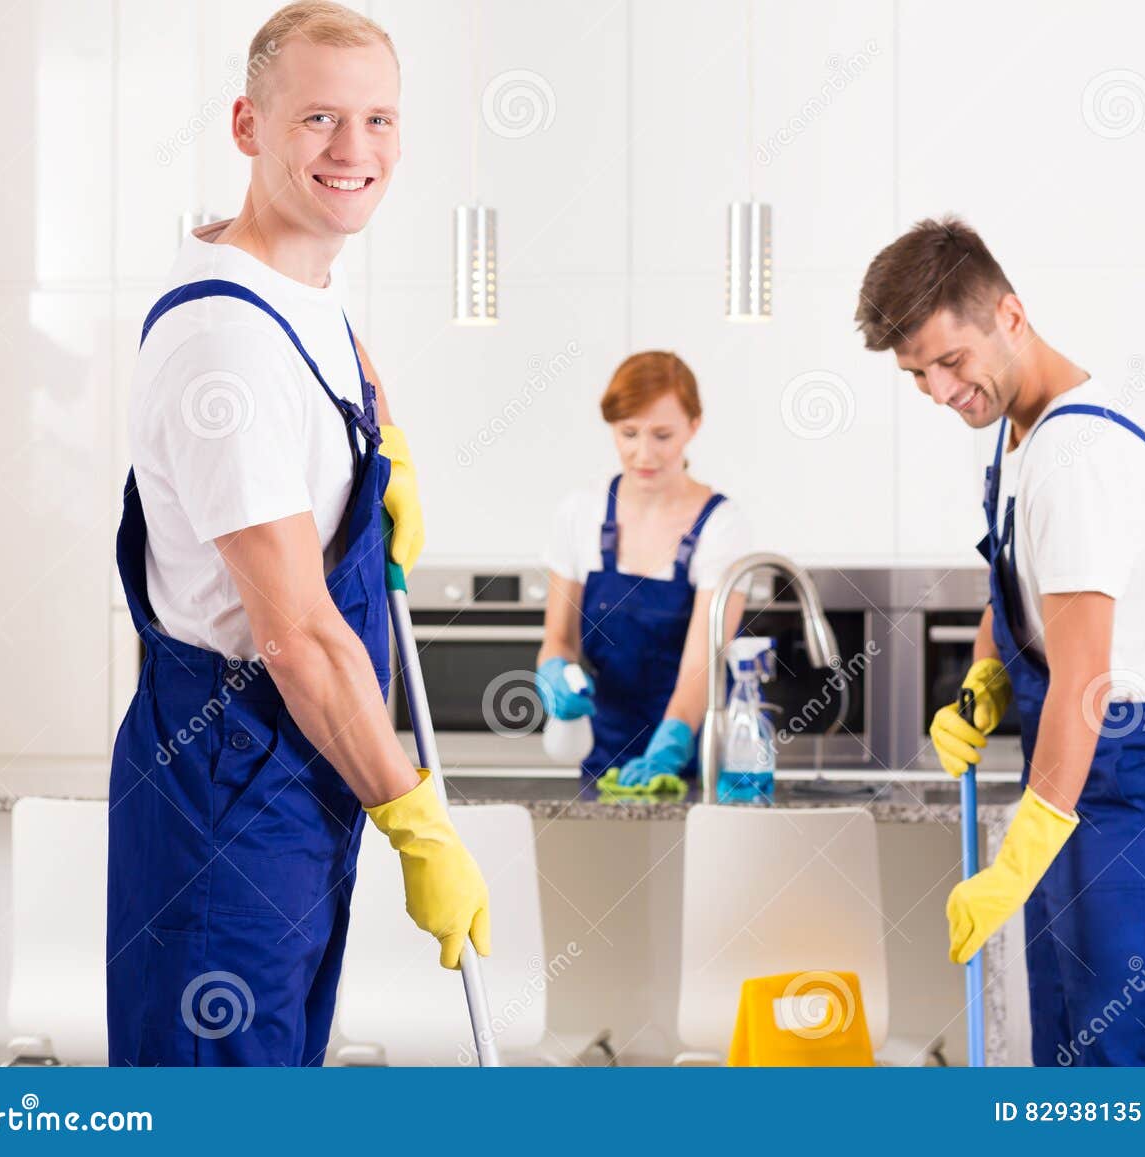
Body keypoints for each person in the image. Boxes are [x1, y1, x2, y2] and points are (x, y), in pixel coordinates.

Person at [107, 1, 488, 1067]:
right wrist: (414, 816)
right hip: (228, 777)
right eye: (319, 118)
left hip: (293, 778)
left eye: (378, 120)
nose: (353, 150)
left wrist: (388, 441)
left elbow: (334, 339)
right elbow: (301, 638)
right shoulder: (223, 346)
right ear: (247, 125)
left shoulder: (297, 282)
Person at [855, 217, 1145, 1066]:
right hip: (1081, 777)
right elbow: (1018, 579)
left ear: (1010, 316)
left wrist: (1023, 849)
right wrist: (985, 677)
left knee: (1134, 1067)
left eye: (951, 361)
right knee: (1070, 1053)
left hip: (1129, 778)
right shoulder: (1022, 433)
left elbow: (1086, 679)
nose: (941, 390)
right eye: (917, 374)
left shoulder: (1074, 456)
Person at [536, 352, 753, 787]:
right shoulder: (581, 512)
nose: (643, 453)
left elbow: (701, 666)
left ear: (694, 426)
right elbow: (558, 638)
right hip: (603, 758)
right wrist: (554, 673)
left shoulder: (722, 525)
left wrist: (668, 748)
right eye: (628, 433)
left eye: (662, 435)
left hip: (695, 760)